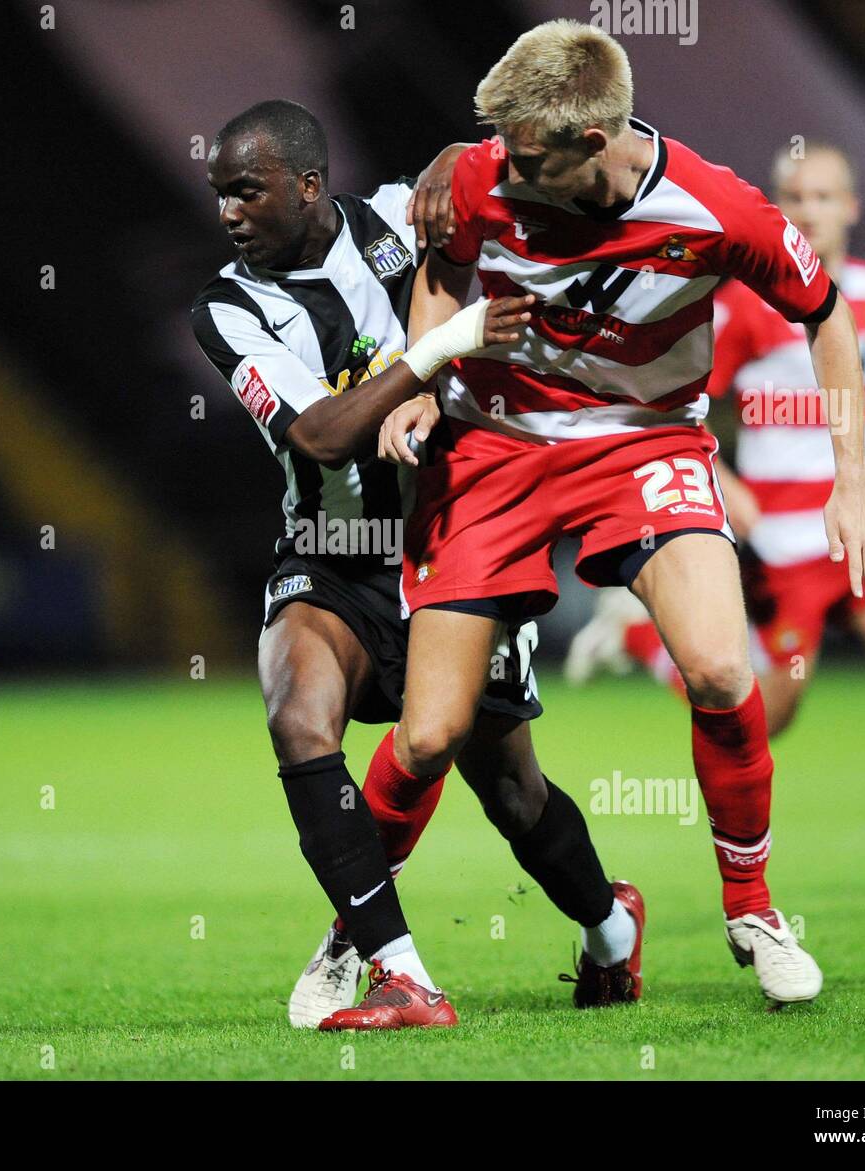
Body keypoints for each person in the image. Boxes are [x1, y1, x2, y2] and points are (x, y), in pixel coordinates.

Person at [364, 18, 865, 1016]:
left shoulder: (717, 207)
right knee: (427, 735)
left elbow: (825, 314)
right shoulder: (481, 173)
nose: (503, 167)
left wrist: (849, 482)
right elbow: (439, 269)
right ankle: (354, 937)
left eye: (527, 155)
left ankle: (752, 909)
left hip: (642, 445)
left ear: (594, 146)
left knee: (723, 669)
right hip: (494, 442)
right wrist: (420, 378)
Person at [190, 100, 644, 1032]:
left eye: (246, 190)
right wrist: (443, 345)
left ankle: (611, 933)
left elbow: (508, 167)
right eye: (219, 195)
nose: (228, 212)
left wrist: (454, 149)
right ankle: (405, 977)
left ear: (309, 184)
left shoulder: (400, 217)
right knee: (298, 717)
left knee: (512, 793)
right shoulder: (227, 308)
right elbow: (317, 434)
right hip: (326, 556)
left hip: (452, 550)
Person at [569, 143, 865, 898]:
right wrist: (730, 489)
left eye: (825, 197)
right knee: (766, 718)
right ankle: (643, 637)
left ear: (852, 208)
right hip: (785, 545)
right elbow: (678, 407)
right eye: (794, 197)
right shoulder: (748, 303)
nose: (808, 211)